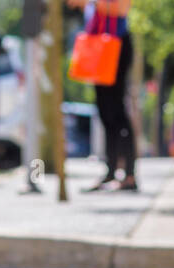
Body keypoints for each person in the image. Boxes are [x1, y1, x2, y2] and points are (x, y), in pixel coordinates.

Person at [68, 0, 137, 191]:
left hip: (115, 47)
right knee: (105, 113)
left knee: (118, 113)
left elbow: (121, 8)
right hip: (99, 50)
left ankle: (130, 175)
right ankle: (111, 171)